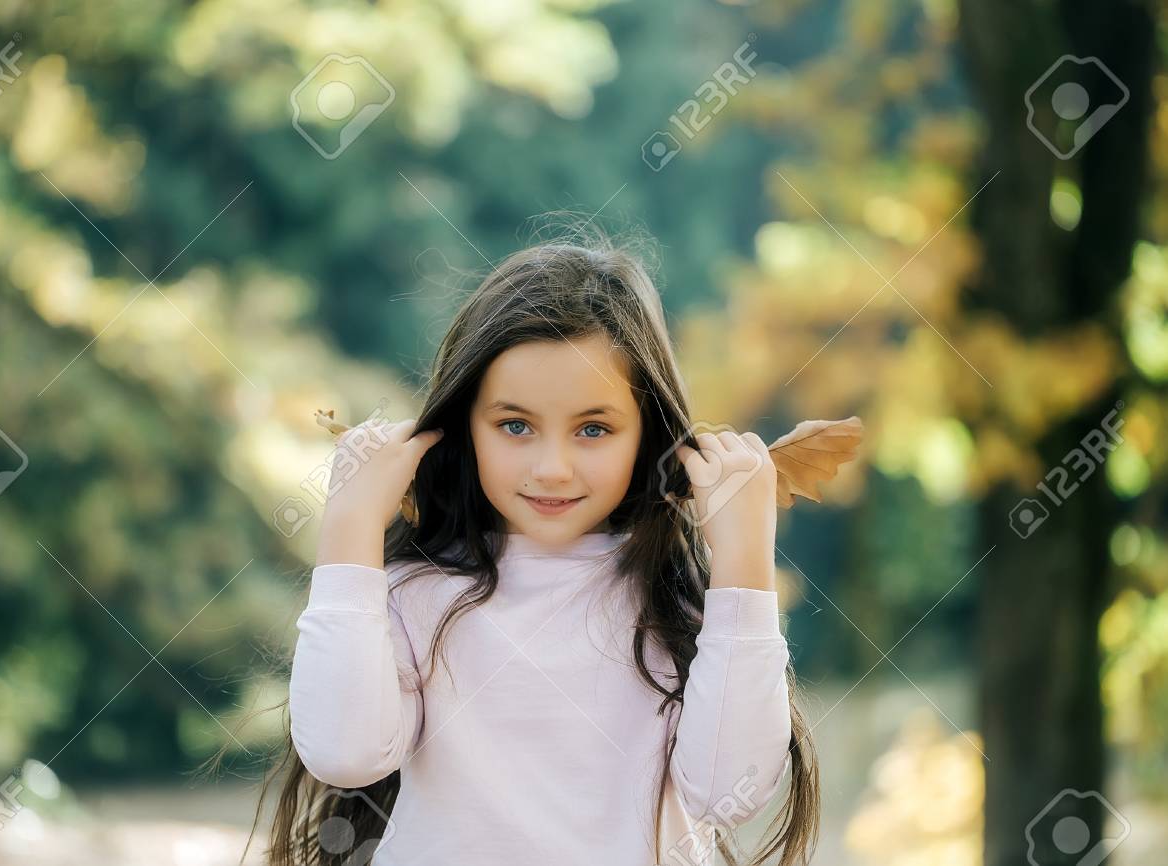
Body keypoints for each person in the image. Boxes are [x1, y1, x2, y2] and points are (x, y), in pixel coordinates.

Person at [258, 230, 818, 865]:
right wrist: (349, 531)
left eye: (594, 429)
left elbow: (729, 793)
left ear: (647, 434)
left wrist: (744, 565)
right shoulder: (415, 592)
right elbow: (343, 752)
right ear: (464, 426)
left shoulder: (671, 596)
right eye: (515, 425)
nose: (552, 468)